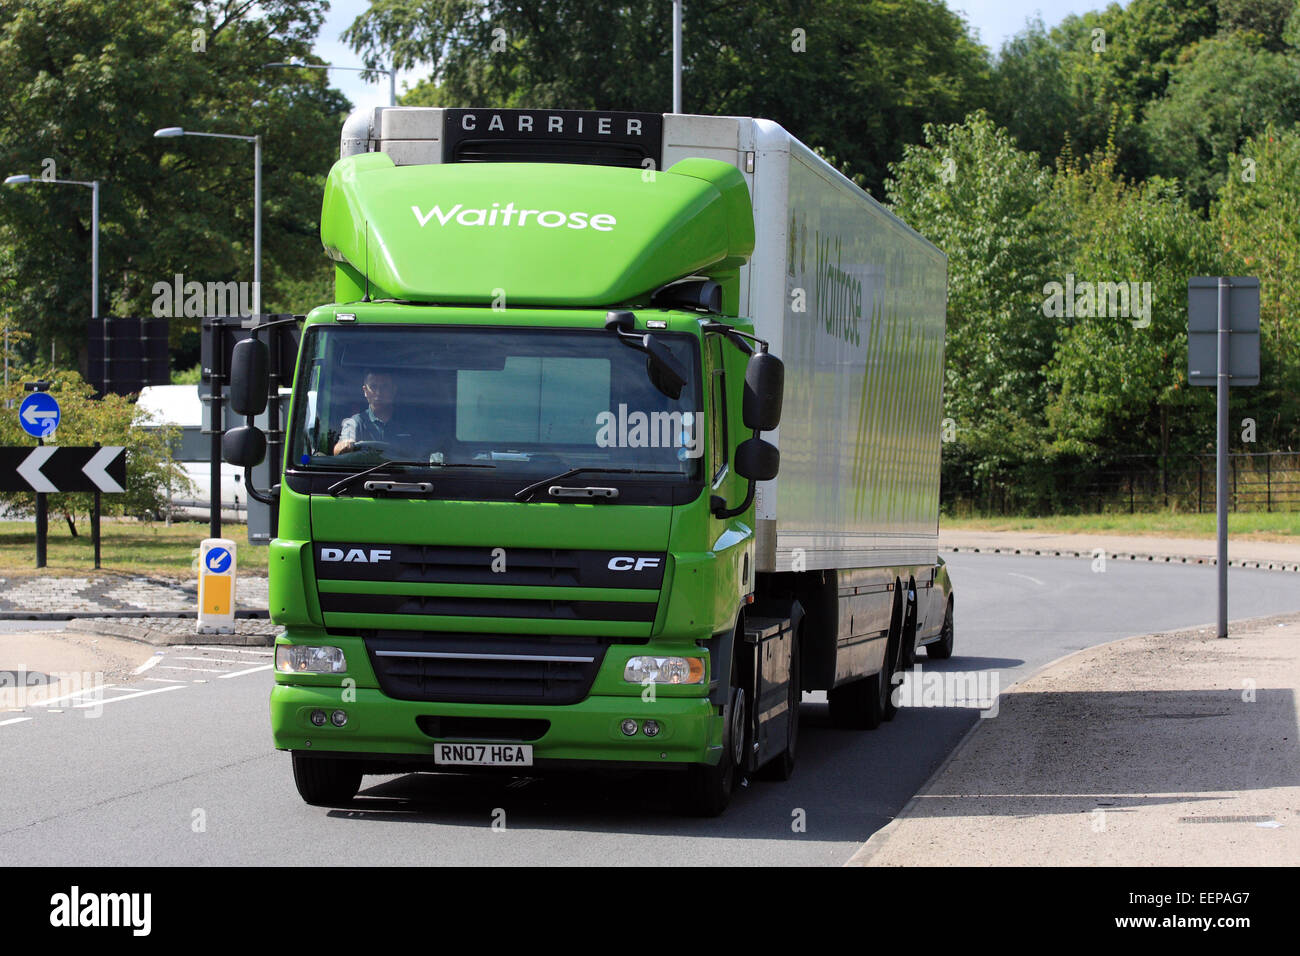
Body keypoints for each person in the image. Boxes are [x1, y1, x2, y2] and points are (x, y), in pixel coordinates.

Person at [333, 368, 418, 455]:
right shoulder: (355, 422)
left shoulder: (410, 423)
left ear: (393, 390)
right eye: (373, 387)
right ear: (365, 391)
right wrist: (346, 443)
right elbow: (338, 450)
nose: (378, 392)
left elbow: (423, 455)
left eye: (384, 387)